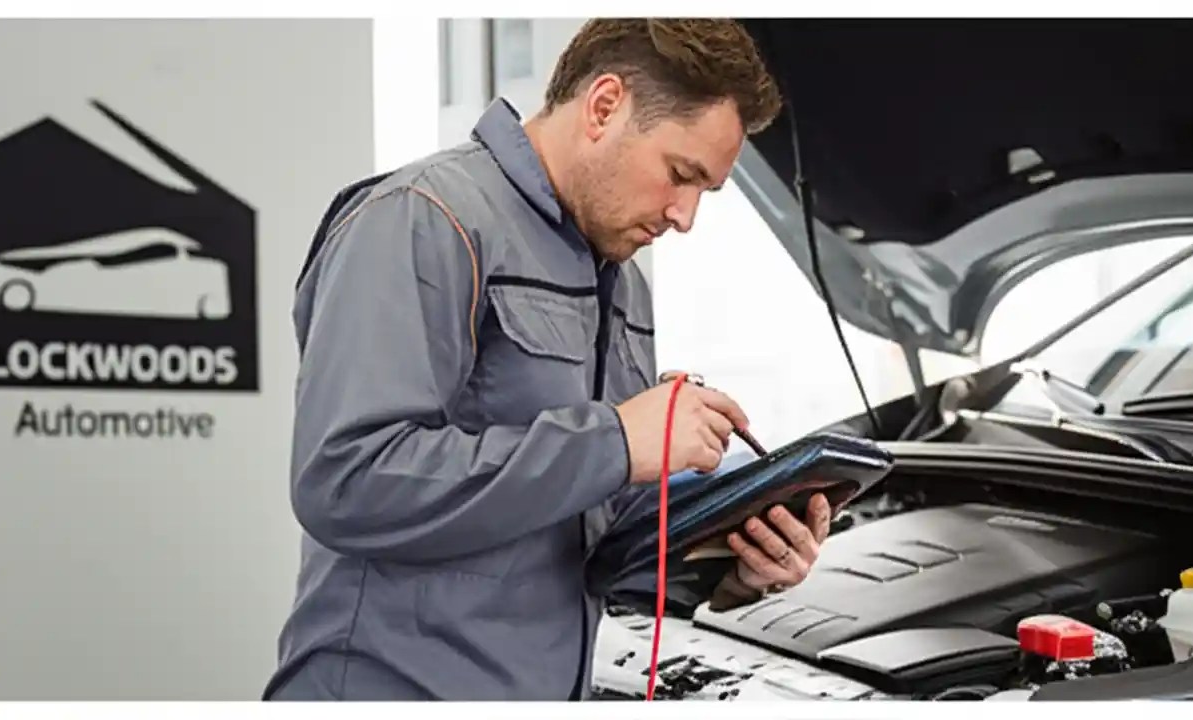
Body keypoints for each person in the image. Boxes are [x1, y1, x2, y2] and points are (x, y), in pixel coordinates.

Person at [263, 18, 835, 702]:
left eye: (704, 192)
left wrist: (734, 567)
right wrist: (619, 440)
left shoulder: (623, 282)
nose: (685, 217)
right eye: (681, 176)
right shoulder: (422, 220)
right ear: (603, 107)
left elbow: (589, 547)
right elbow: (345, 481)